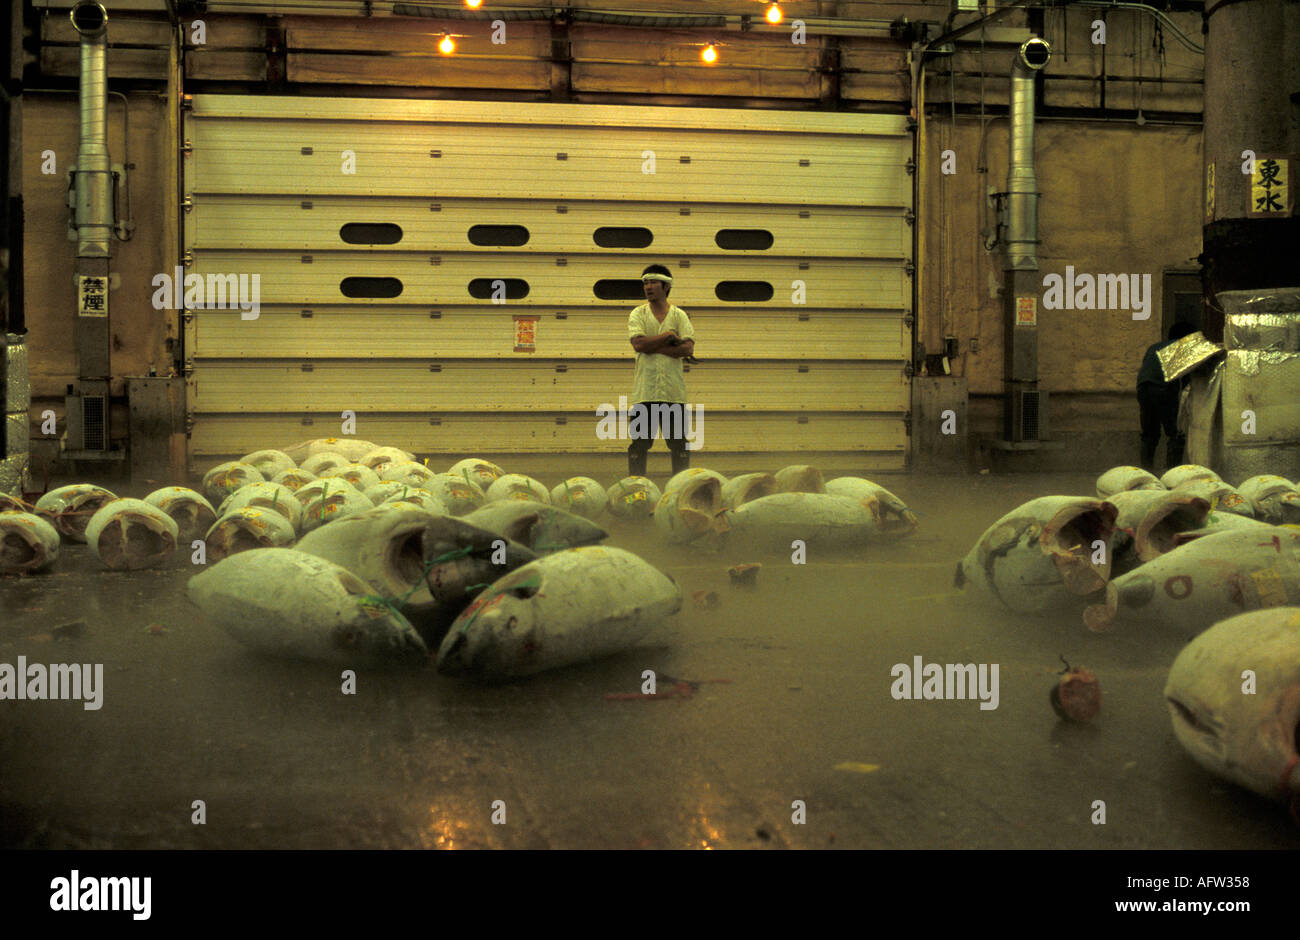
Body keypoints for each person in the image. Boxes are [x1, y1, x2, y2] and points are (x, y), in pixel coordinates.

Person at [626, 264, 695, 479]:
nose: (648, 287)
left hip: (673, 394)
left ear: (666, 286)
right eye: (645, 282)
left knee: (679, 445)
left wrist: (652, 346)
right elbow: (638, 345)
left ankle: (682, 489)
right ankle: (636, 491)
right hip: (645, 393)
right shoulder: (638, 313)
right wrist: (667, 337)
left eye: (653, 282)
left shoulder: (679, 315)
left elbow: (687, 348)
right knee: (639, 444)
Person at [1137, 321, 1195, 472]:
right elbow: (1188, 378)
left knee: (1149, 434)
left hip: (1143, 388)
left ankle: (1146, 471)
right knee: (1175, 433)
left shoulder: (1153, 347)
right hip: (1164, 390)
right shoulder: (1182, 347)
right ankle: (1172, 473)